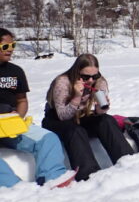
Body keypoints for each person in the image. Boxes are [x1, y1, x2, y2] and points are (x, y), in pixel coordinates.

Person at [43, 54, 134, 182]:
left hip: (80, 116)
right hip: (57, 120)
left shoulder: (99, 82)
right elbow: (63, 116)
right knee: (76, 131)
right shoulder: (63, 82)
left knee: (107, 120)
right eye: (85, 77)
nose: (91, 80)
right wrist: (76, 97)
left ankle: (129, 161)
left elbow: (97, 112)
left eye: (94, 76)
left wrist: (100, 110)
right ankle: (89, 174)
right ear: (77, 72)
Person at [0, 28, 70, 188]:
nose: (10, 50)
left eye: (13, 45)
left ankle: (52, 178)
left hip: (10, 125)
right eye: (5, 46)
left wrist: (18, 118)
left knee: (49, 139)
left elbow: (22, 100)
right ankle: (15, 188)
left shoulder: (16, 71)